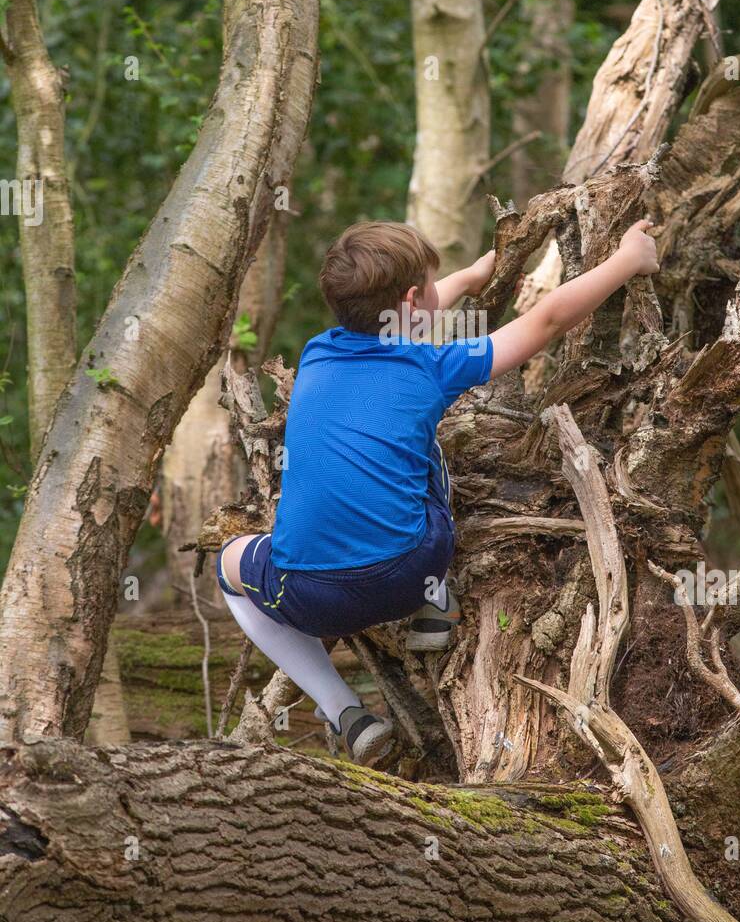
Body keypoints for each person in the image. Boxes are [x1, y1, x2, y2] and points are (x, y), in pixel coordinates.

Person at [216, 217, 658, 764]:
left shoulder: (316, 354)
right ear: (410, 301)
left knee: (229, 566)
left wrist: (467, 278)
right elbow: (544, 321)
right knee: (426, 448)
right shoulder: (431, 367)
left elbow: (399, 315)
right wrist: (626, 260)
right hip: (408, 574)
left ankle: (345, 713)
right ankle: (435, 600)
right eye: (431, 285)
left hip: (309, 597)